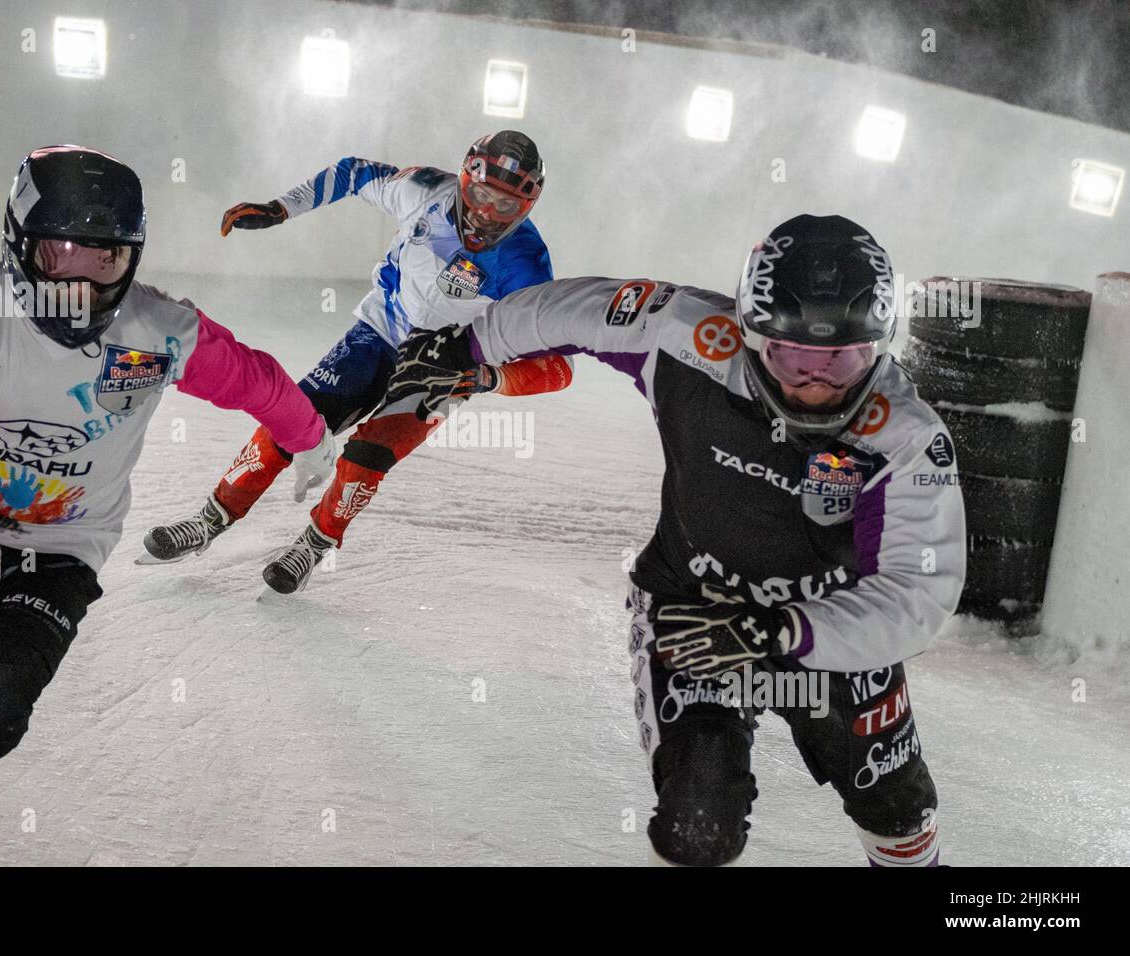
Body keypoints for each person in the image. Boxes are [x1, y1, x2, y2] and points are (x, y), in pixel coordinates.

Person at [383, 214, 966, 866]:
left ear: (880, 347)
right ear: (748, 334)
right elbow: (567, 310)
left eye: (842, 359)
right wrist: (468, 346)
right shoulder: (688, 337)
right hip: (696, 611)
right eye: (793, 355)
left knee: (899, 815)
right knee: (697, 826)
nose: (815, 384)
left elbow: (919, 594)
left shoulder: (907, 437)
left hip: (831, 625)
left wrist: (776, 632)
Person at [0, 145, 334, 866]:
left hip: (62, 546)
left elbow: (251, 380)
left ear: (133, 258)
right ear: (17, 244)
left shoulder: (158, 334)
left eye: (105, 260)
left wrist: (308, 436)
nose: (81, 282)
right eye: (60, 253)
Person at [140, 131, 573, 594]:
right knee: (293, 420)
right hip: (381, 334)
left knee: (367, 459)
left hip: (444, 368)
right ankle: (214, 517)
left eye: (506, 207)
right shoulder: (424, 191)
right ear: (464, 179)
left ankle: (313, 543)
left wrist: (483, 377)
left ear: (527, 208)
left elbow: (559, 366)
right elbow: (352, 172)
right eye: (482, 194)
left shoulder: (527, 264)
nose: (487, 213)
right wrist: (282, 207)